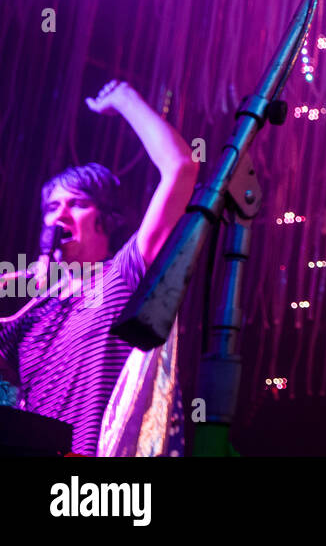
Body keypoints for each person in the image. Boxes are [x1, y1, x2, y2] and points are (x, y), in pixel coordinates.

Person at [0, 80, 198, 455]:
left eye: (75, 204)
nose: (58, 216)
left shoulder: (121, 276)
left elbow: (181, 168)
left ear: (104, 218)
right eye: (50, 208)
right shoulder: (30, 314)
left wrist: (125, 100)